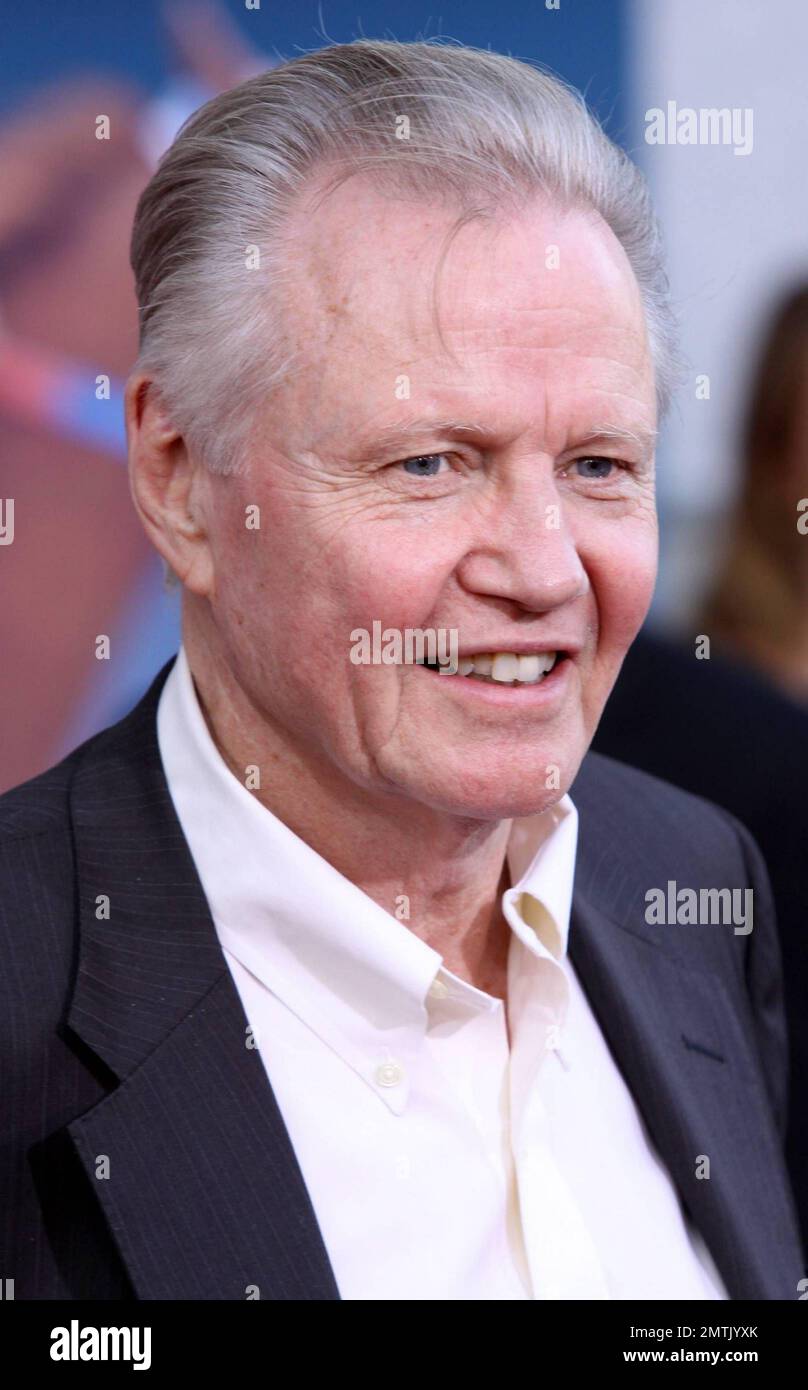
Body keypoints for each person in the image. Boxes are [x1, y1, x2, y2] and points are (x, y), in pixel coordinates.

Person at [1, 39, 803, 1301]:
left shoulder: (694, 882)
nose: (545, 569)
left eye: (598, 465)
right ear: (176, 479)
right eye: (429, 463)